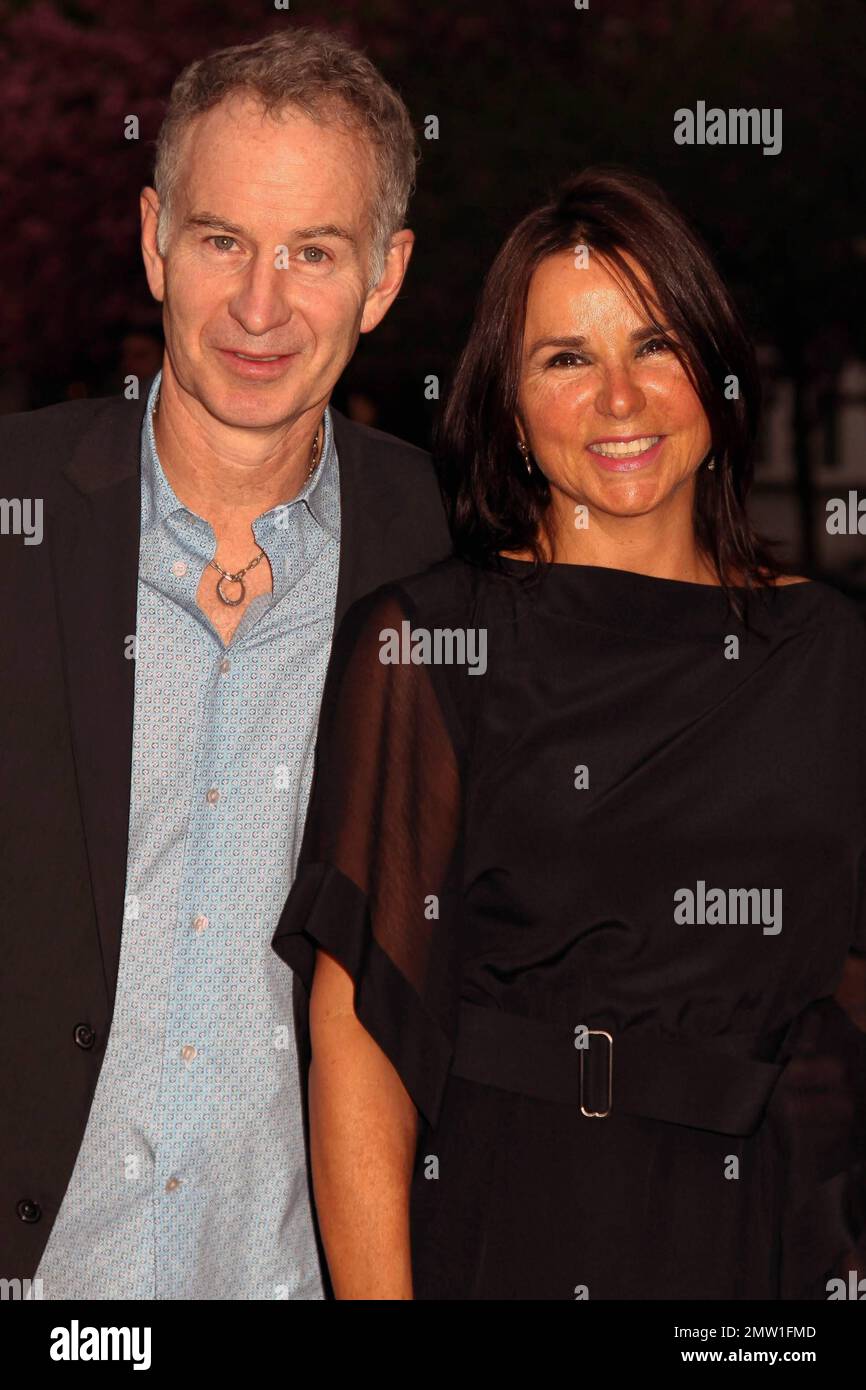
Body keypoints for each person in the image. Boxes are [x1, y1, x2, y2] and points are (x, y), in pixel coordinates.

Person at [272, 167, 866, 1300]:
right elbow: (361, 1032)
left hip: (764, 1243)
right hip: (517, 1221)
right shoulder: (430, 643)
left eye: (654, 345)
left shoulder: (827, 654)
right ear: (508, 406)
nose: (620, 399)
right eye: (565, 359)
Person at [0, 27, 451, 1299]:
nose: (261, 305)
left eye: (313, 251)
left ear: (382, 276)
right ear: (155, 241)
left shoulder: (452, 556)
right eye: (221, 241)